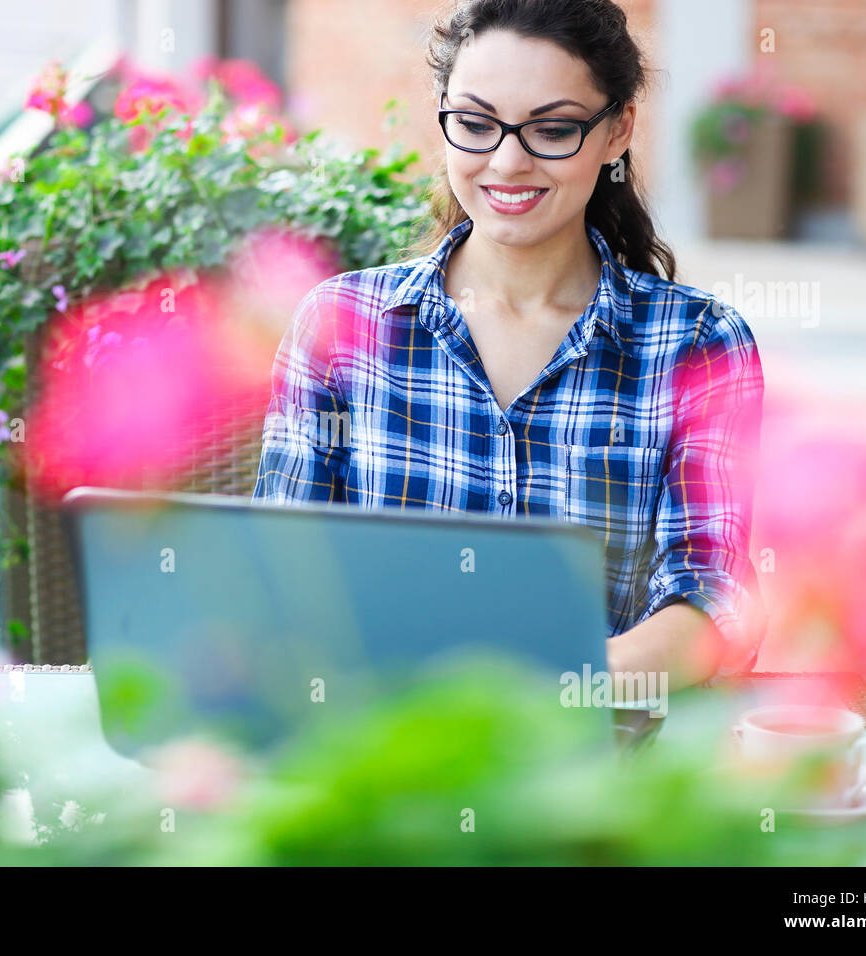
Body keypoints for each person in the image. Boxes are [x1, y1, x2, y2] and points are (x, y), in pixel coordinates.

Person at [253, 0, 766, 691]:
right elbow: (282, 578)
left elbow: (710, 602)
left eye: (553, 129)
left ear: (618, 130)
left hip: (591, 768)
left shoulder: (697, 347)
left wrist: (546, 696)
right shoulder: (341, 325)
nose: (508, 161)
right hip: (377, 751)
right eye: (474, 123)